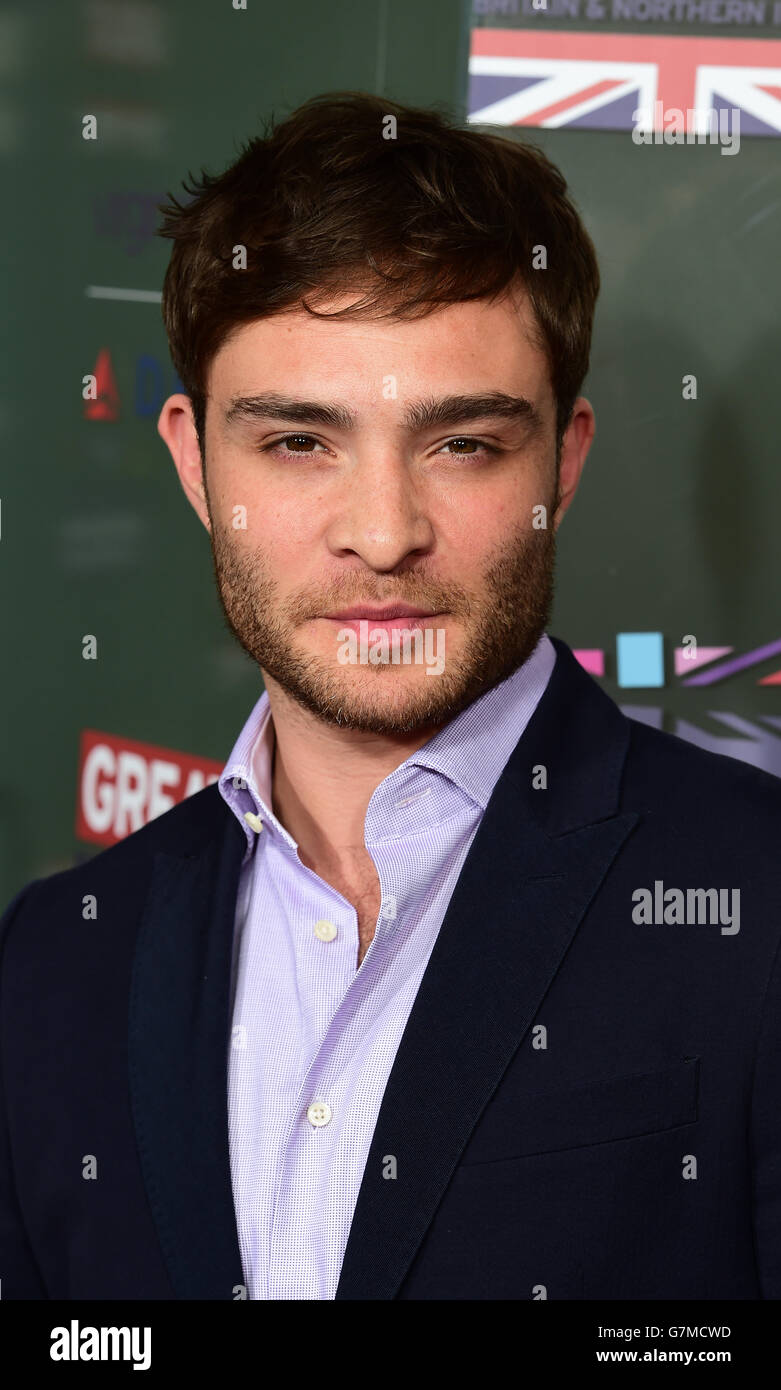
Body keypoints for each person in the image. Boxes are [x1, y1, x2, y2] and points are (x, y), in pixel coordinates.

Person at [2, 91, 780, 1302]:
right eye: (298, 442)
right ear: (193, 461)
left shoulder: (758, 900)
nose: (383, 533)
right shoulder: (55, 960)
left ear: (560, 464)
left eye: (461, 443)